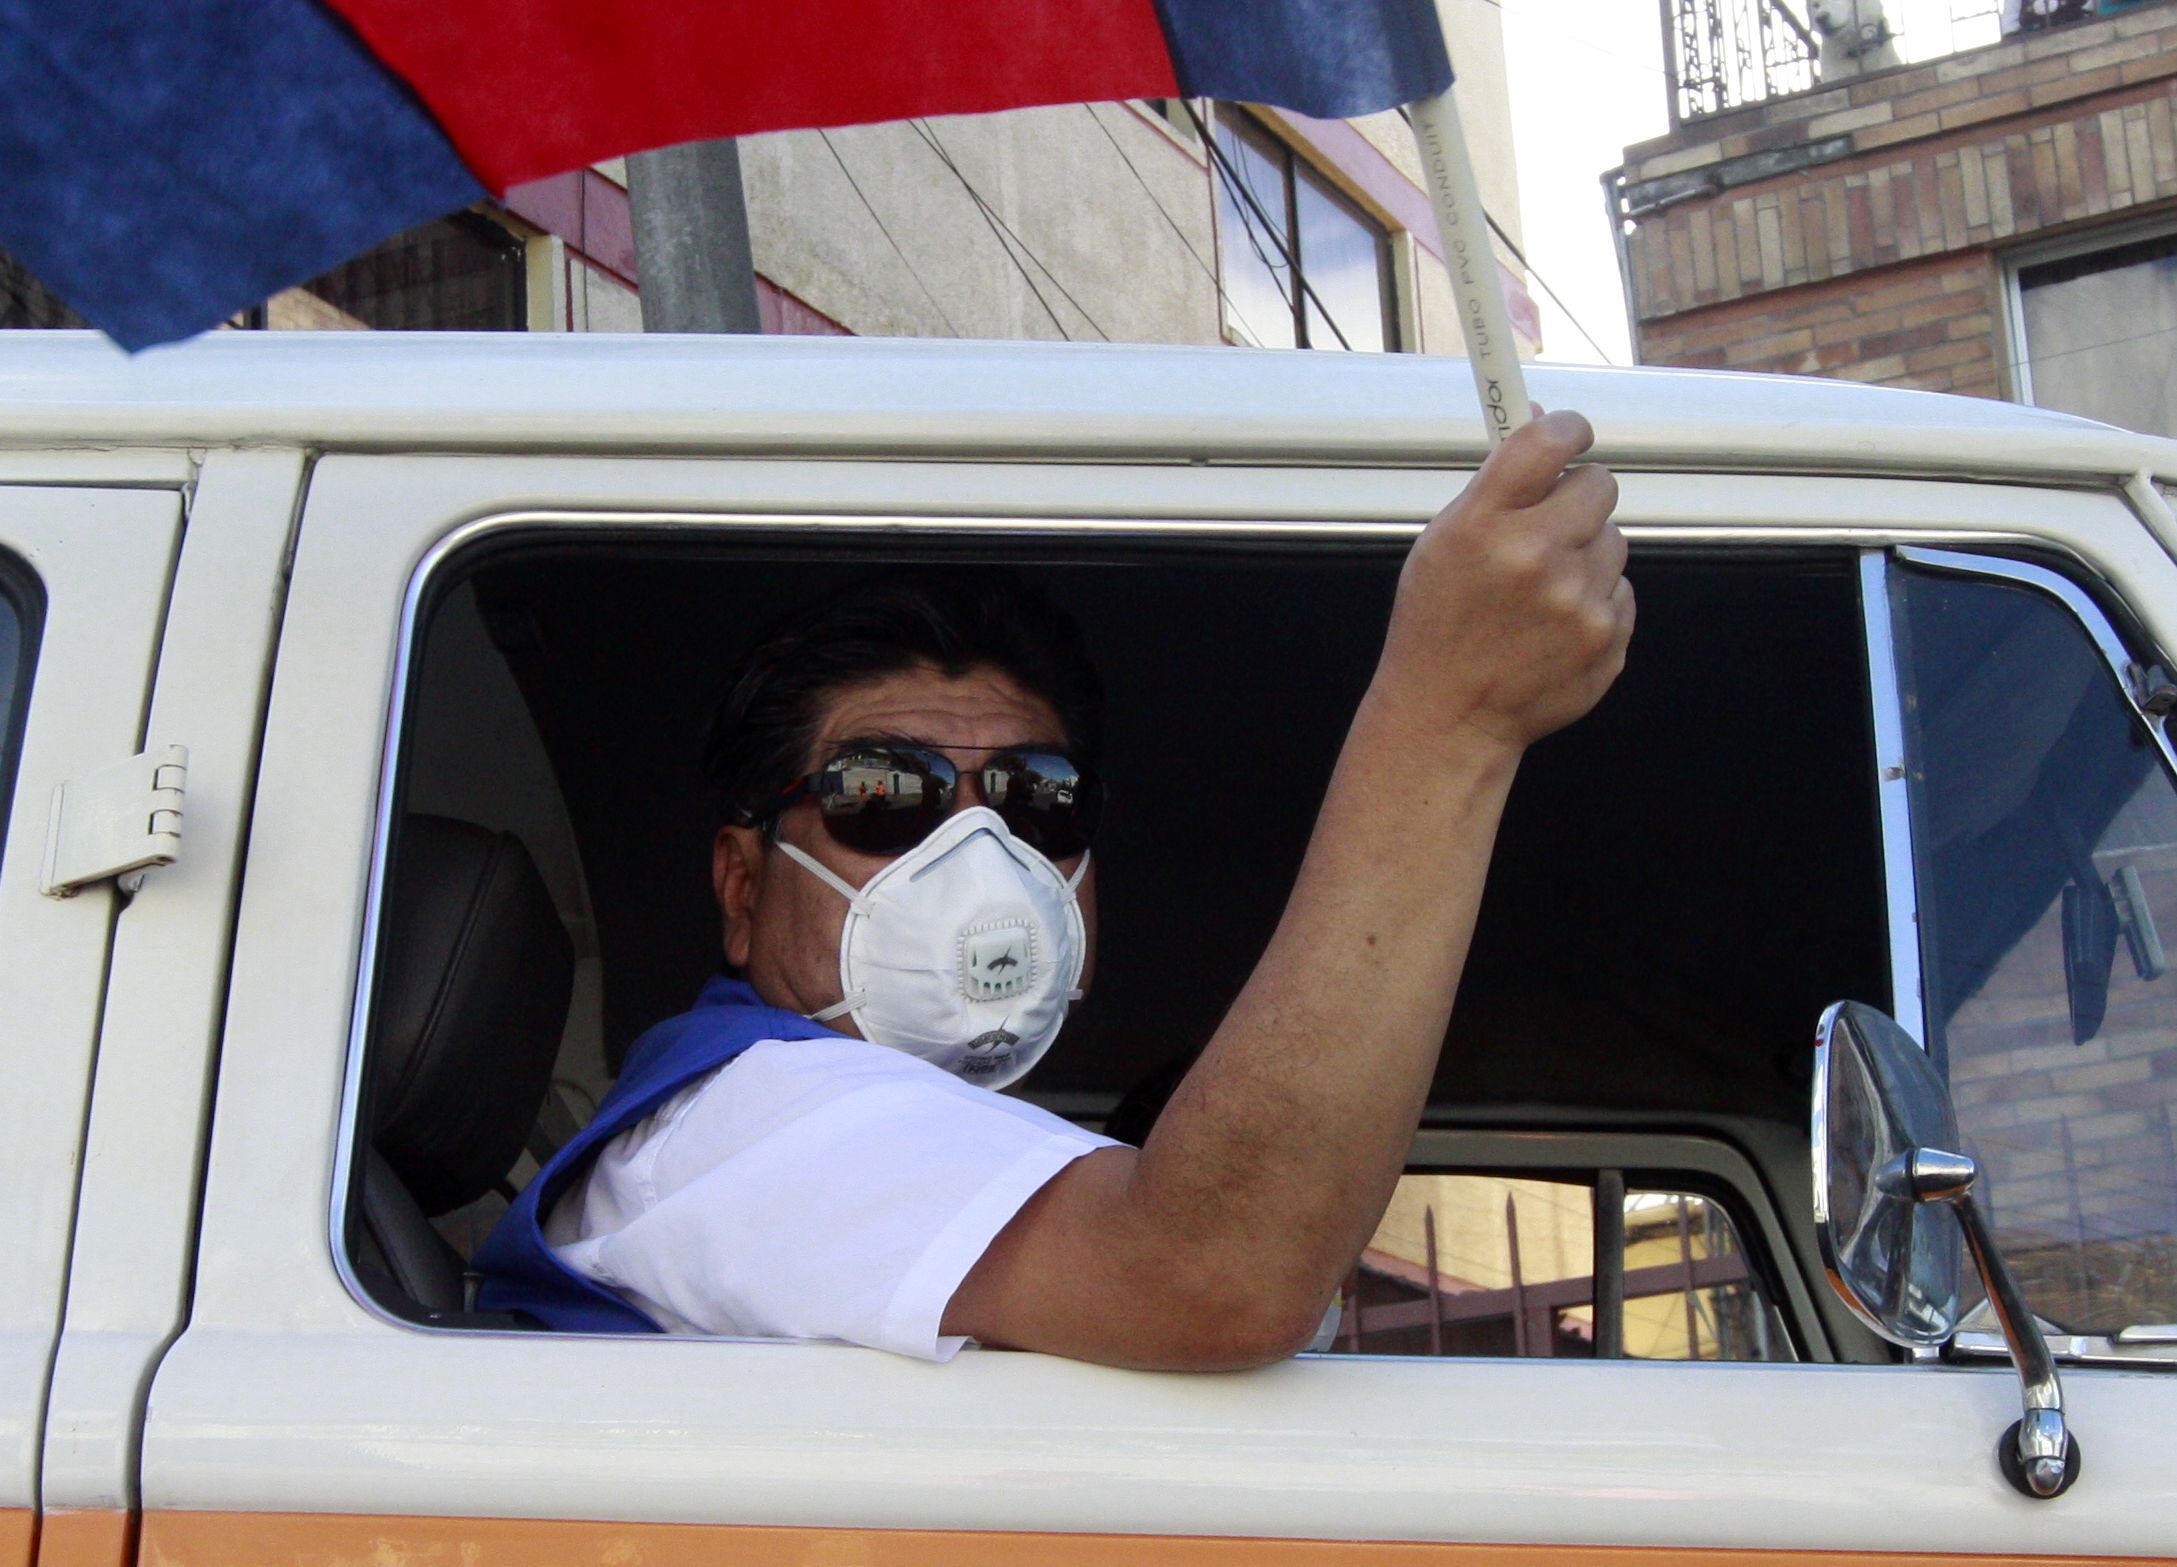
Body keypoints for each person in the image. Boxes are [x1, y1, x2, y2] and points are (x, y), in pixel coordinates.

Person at [475, 411, 1632, 1369]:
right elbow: (1208, 1274)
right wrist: (1451, 718)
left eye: (1038, 800)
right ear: (741, 887)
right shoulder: (738, 1125)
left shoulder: (917, 1157)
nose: (979, 850)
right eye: (887, 793)